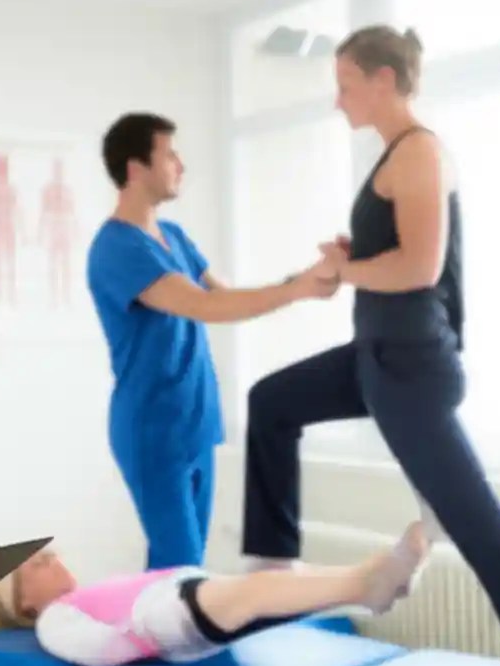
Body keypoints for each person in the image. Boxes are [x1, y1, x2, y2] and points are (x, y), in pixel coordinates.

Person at [239, 25, 500, 666]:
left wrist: (347, 271)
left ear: (383, 80)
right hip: (376, 357)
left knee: (481, 527)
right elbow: (394, 260)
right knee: (271, 401)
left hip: (410, 368)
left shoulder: (419, 152)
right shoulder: (392, 157)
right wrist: (351, 258)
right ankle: (273, 568)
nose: (337, 100)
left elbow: (420, 270)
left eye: (345, 85)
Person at [86, 113, 338, 572]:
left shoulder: (174, 236)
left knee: (180, 568)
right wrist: (296, 290)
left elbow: (224, 297)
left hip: (196, 421)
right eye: (169, 155)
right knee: (181, 571)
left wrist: (302, 279)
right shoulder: (116, 248)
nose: (180, 165)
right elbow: (202, 306)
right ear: (137, 168)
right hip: (152, 428)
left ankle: (153, 639)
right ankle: (159, 640)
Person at [0, 522, 428, 666]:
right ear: (24, 604)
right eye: (39, 564)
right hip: (161, 617)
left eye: (52, 554)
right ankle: (365, 584)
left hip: (177, 596)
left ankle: (365, 586)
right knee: (258, 592)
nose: (55, 560)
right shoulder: (53, 621)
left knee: (269, 593)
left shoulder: (85, 594)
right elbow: (94, 649)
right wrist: (139, 641)